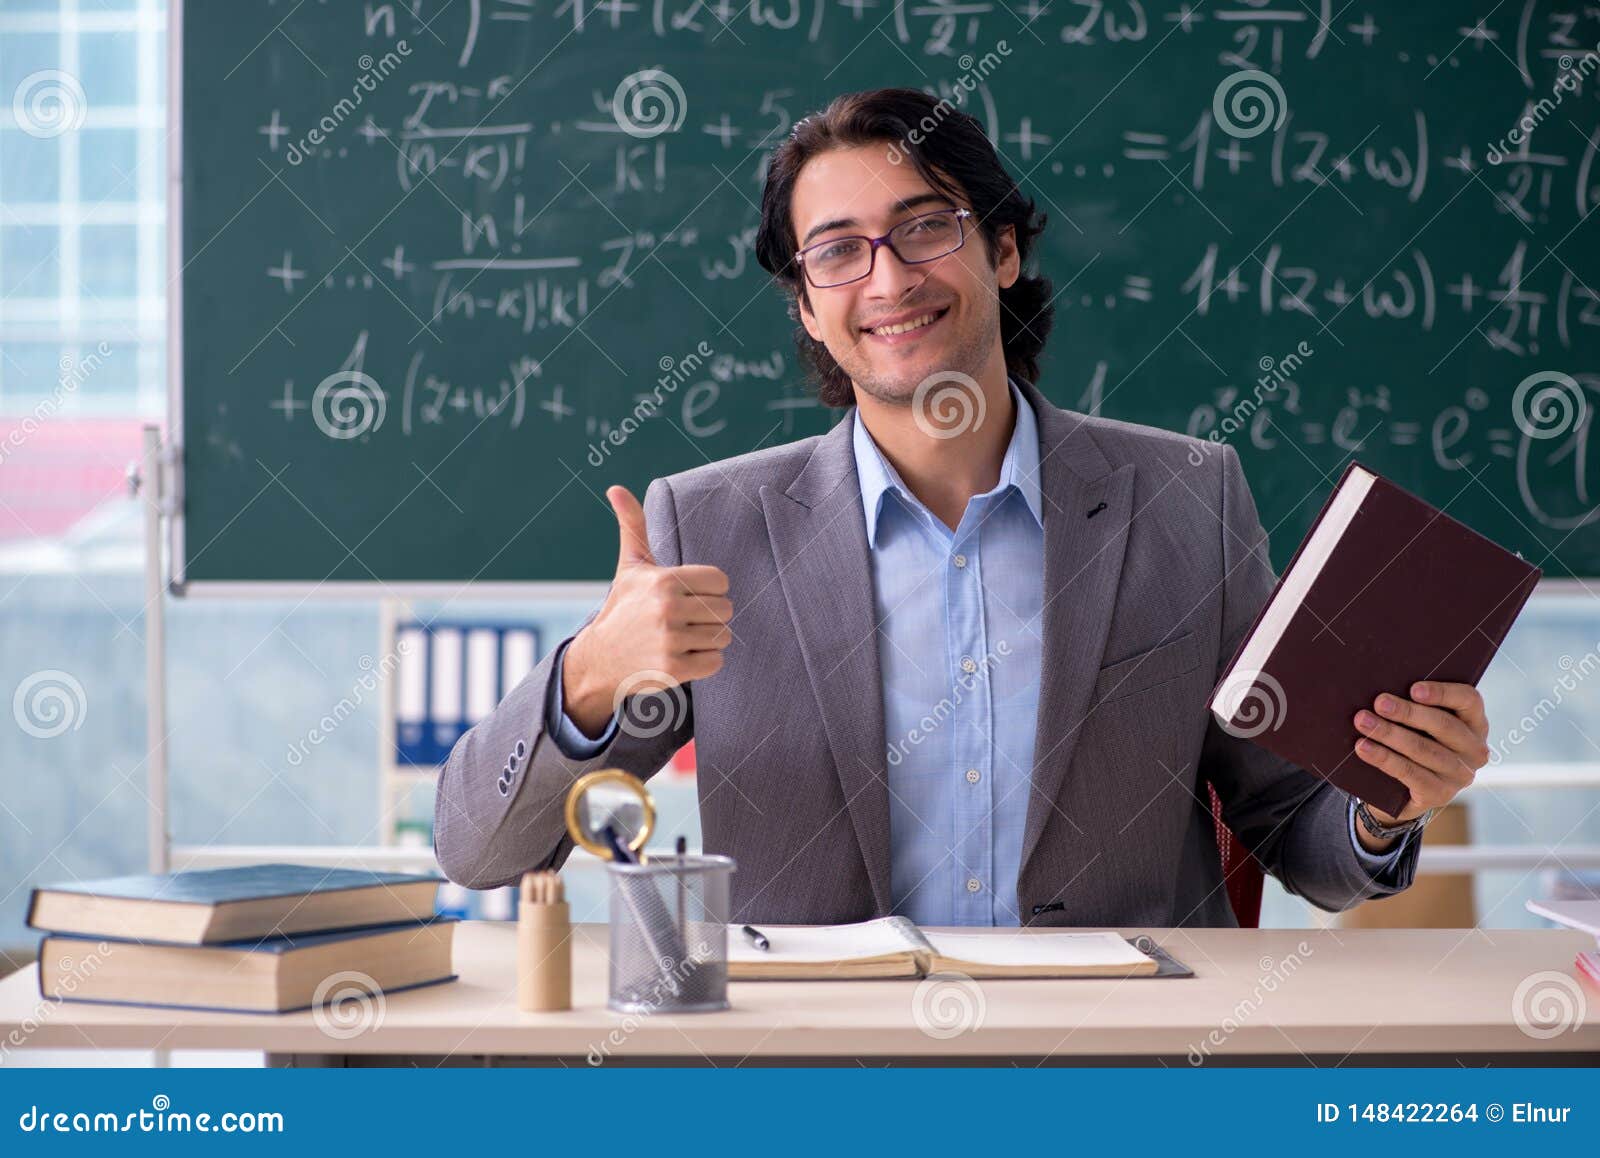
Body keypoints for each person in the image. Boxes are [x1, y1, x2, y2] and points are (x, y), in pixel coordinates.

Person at [434, 88, 1490, 927]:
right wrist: (590, 674)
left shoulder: (1185, 497)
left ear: (1002, 249)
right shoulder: (706, 531)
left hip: (1118, 1073)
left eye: (924, 228)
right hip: (824, 1082)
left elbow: (1286, 821)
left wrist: (1384, 805)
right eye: (837, 249)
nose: (887, 278)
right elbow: (481, 852)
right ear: (805, 304)